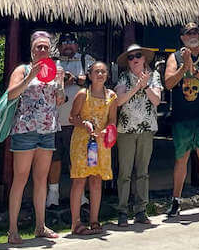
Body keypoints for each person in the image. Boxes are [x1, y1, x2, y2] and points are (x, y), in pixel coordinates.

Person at [6, 30, 64, 245]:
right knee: (20, 178)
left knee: (41, 179)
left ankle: (41, 225)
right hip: (25, 129)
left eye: (45, 47)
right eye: (38, 47)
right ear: (31, 49)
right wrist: (30, 77)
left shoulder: (56, 70)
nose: (42, 50)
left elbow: (59, 100)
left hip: (47, 130)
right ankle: (13, 229)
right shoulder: (22, 69)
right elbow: (11, 93)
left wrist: (60, 87)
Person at [164, 23, 199, 219]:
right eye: (188, 33)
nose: (192, 35)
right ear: (182, 38)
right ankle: (176, 200)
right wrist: (183, 66)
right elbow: (169, 82)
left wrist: (194, 71)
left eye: (195, 32)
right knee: (181, 158)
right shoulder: (174, 57)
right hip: (182, 118)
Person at [47, 32, 96, 211]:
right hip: (54, 120)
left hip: (79, 122)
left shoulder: (86, 60)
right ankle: (53, 195)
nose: (68, 45)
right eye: (64, 42)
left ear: (77, 45)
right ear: (59, 46)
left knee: (77, 159)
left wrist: (75, 80)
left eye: (72, 42)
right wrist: (60, 82)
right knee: (55, 159)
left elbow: (97, 79)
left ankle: (81, 195)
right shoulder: (52, 62)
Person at [114, 44, 161, 226]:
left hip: (146, 130)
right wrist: (136, 87)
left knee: (143, 172)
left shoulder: (154, 76)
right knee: (124, 173)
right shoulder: (124, 77)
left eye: (138, 56)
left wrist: (146, 85)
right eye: (131, 57)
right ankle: (122, 211)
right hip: (126, 130)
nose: (134, 60)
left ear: (144, 59)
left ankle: (141, 210)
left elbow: (156, 101)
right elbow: (119, 101)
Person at [68, 59, 117, 236]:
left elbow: (112, 120)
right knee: (80, 179)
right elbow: (72, 117)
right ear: (89, 75)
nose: (100, 74)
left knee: (96, 179)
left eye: (103, 71)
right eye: (96, 71)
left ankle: (94, 220)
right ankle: (76, 223)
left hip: (101, 143)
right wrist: (84, 124)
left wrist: (106, 130)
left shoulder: (111, 96)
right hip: (83, 142)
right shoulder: (82, 94)